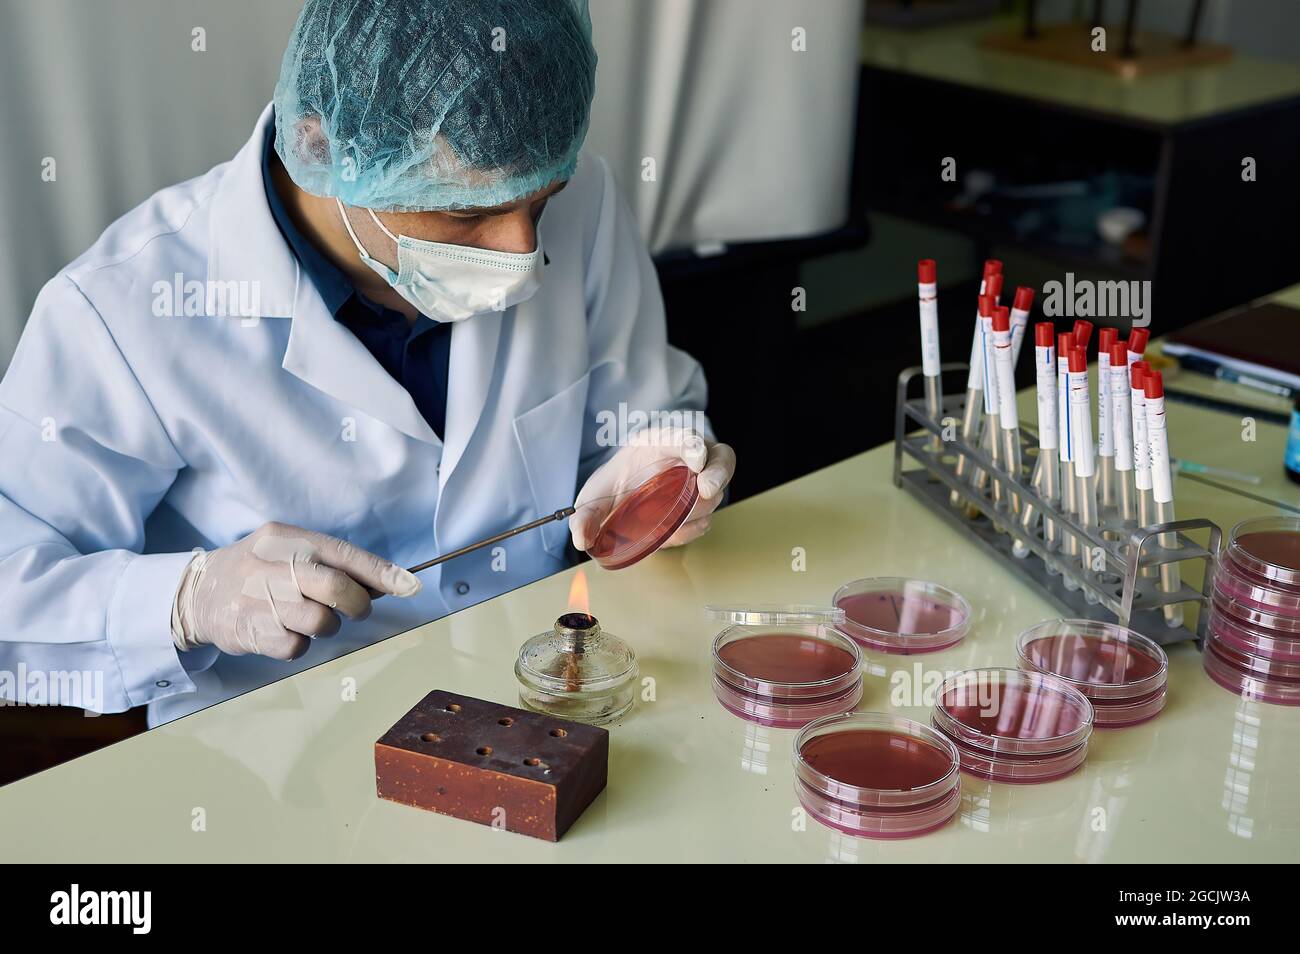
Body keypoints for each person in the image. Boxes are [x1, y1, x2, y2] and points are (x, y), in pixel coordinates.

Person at [0, 0, 733, 725]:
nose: (521, 255)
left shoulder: (586, 201)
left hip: (532, 708)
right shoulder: (125, 308)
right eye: (463, 214)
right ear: (324, 146)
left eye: (540, 202)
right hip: (276, 761)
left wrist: (659, 472)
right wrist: (188, 601)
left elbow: (641, 415)